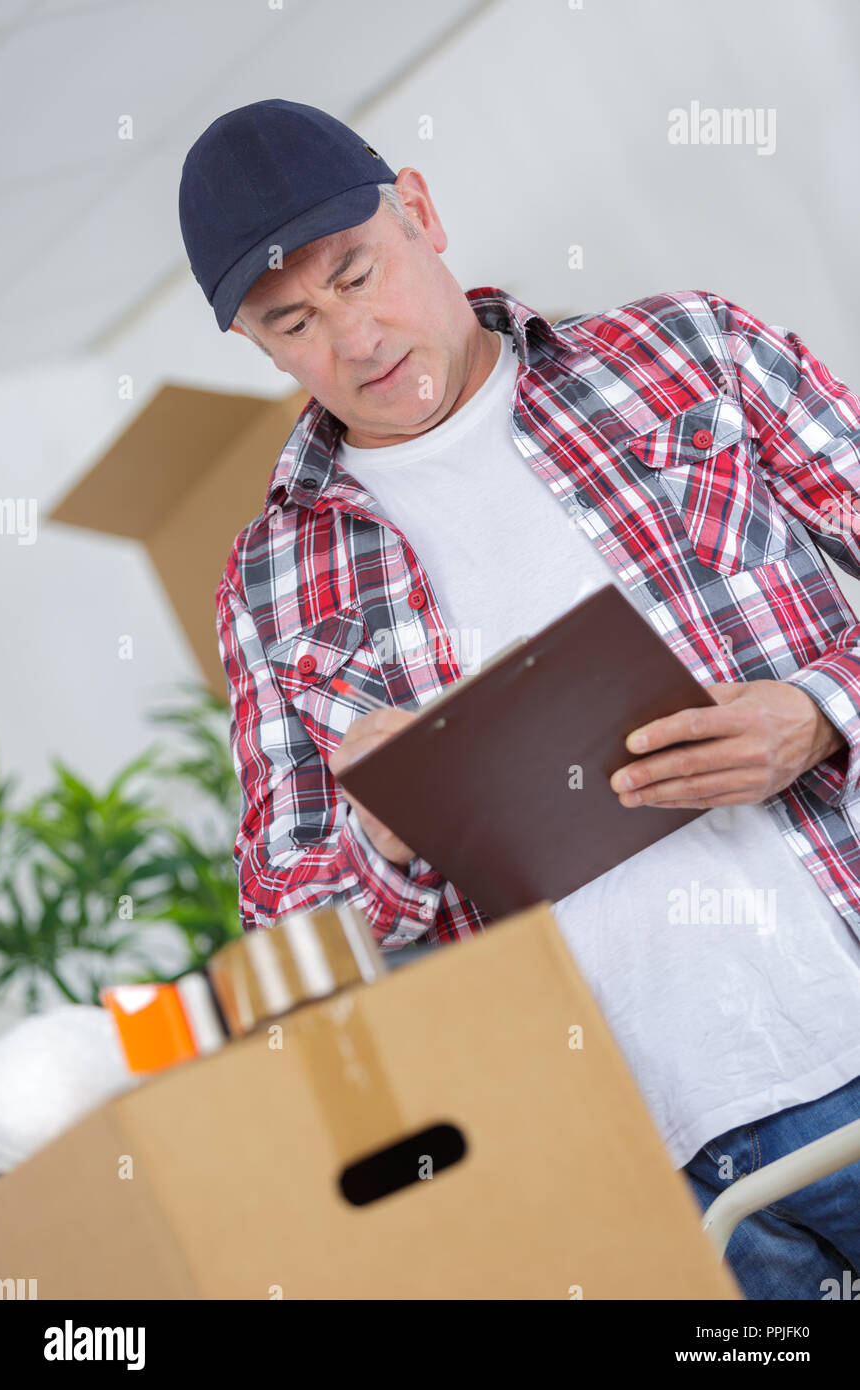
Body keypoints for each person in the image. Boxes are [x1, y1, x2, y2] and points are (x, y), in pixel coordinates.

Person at [179, 98, 860, 1298]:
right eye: (295, 320)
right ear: (257, 343)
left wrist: (814, 711)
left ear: (422, 213)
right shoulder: (271, 580)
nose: (354, 335)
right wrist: (383, 831)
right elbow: (290, 933)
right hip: (662, 1173)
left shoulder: (690, 352)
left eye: (358, 272)